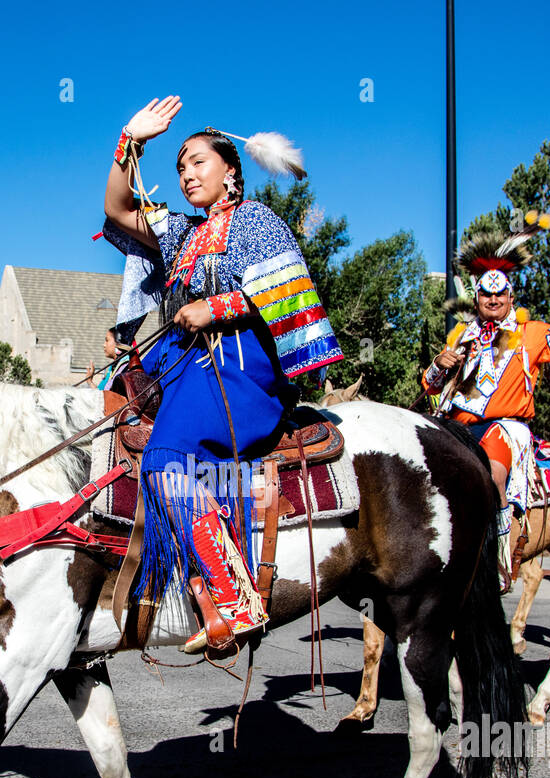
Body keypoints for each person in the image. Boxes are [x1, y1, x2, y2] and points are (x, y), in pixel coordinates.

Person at [101, 96, 342, 652]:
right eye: (180, 166)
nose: (186, 174)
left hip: (241, 369)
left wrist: (220, 306)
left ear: (230, 171)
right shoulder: (182, 234)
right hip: (187, 365)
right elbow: (116, 210)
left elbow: (291, 292)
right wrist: (129, 140)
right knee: (114, 409)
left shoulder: (257, 221)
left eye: (198, 162)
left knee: (164, 459)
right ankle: (195, 595)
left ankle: (234, 596)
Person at [423, 223, 550, 589]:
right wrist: (437, 366)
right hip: (455, 424)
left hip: (504, 428)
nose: (493, 301)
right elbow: (431, 386)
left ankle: (500, 552)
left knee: (491, 473)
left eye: (500, 295)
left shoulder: (532, 334)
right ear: (477, 299)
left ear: (510, 297)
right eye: (486, 297)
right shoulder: (462, 335)